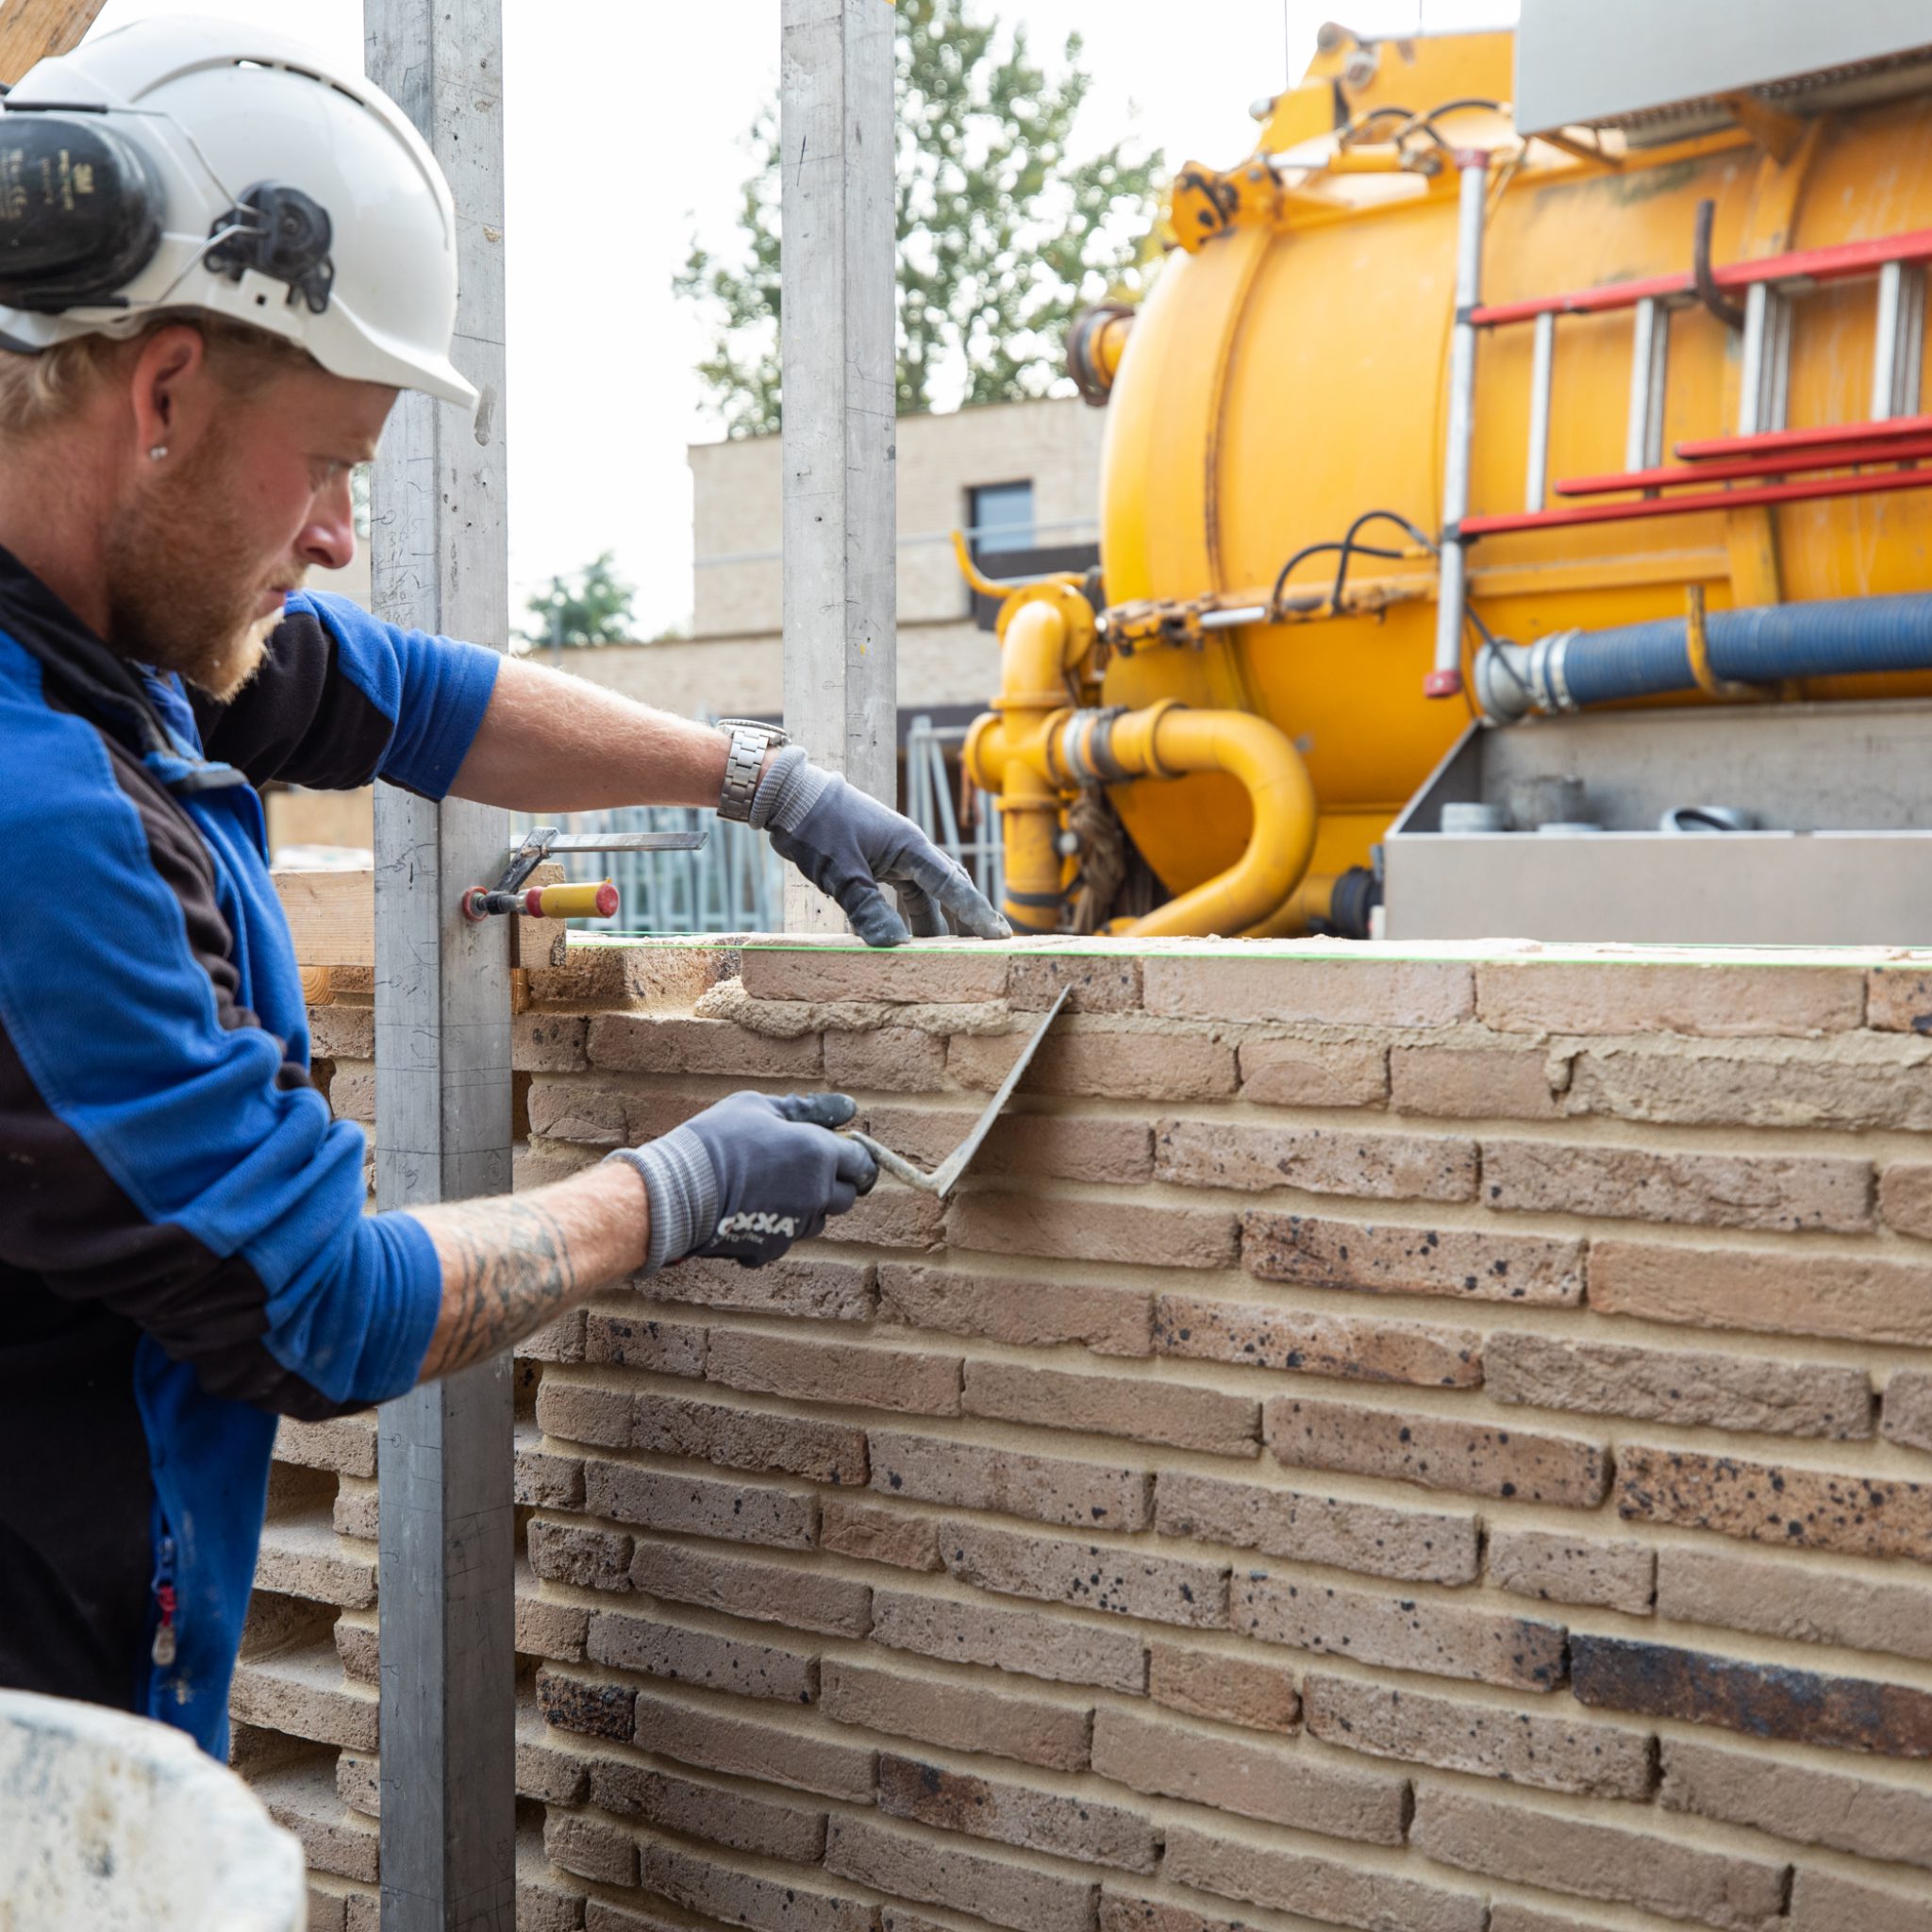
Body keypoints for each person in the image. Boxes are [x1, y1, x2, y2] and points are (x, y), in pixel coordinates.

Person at [0, 17, 1006, 1756]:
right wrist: (670, 1191)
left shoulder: (98, 621)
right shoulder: (40, 820)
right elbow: (318, 1301)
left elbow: (397, 690)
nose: (334, 532)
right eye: (327, 465)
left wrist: (754, 777)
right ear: (161, 395)